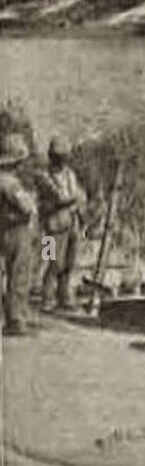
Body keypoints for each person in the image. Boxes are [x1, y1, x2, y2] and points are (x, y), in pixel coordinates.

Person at [34, 135, 86, 311]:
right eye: (58, 156)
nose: (62, 159)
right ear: (52, 156)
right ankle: (47, 297)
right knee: (53, 261)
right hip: (52, 225)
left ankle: (64, 296)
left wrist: (77, 202)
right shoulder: (44, 176)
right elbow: (60, 197)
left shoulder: (70, 174)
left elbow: (80, 195)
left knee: (69, 262)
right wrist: (74, 199)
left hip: (72, 221)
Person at [0, 134, 39, 335]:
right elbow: (27, 206)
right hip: (18, 231)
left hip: (8, 230)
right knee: (20, 274)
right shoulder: (9, 182)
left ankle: (15, 315)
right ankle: (16, 319)